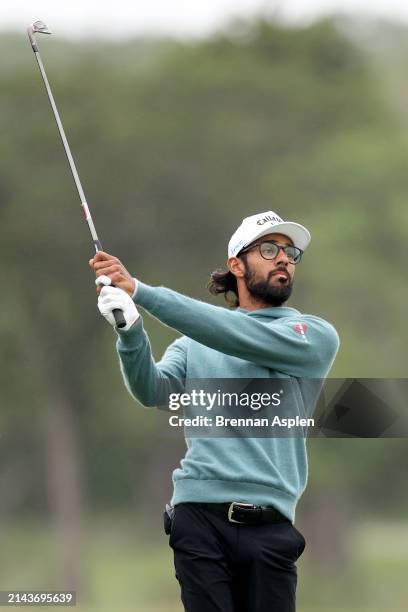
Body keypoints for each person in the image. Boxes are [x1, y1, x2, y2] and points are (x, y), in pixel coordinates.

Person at [89, 210, 339, 612]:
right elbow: (153, 390)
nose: (283, 260)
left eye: (290, 253)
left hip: (270, 529)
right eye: (270, 249)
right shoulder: (194, 343)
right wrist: (130, 331)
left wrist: (142, 291)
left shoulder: (312, 336)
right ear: (236, 265)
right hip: (199, 518)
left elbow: (235, 334)